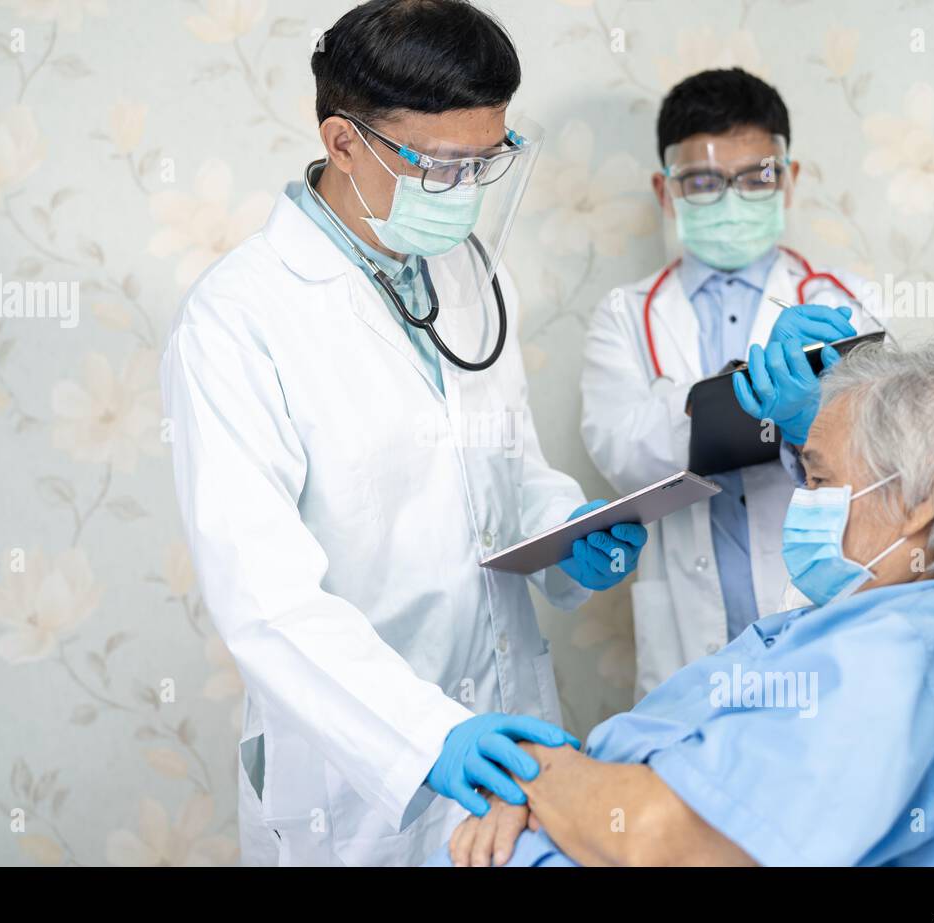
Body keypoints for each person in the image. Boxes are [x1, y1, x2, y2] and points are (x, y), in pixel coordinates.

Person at [160, 0, 645, 867]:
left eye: (486, 161)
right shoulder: (239, 317)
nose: (463, 191)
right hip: (358, 783)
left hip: (507, 730)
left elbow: (507, 470)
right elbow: (265, 600)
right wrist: (428, 736)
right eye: (440, 166)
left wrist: (565, 531)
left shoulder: (470, 276)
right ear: (344, 142)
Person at [434, 343, 934, 866]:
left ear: (920, 494)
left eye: (818, 481)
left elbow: (665, 841)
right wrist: (548, 788)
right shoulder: (842, 624)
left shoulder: (888, 656)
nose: (803, 502)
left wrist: (537, 772)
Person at [581, 68, 881, 699]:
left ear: (789, 180)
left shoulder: (845, 305)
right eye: (703, 181)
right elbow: (622, 453)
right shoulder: (624, 315)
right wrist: (729, 403)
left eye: (757, 176)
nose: (731, 197)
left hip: (822, 622)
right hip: (689, 645)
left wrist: (810, 425)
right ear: (667, 192)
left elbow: (888, 462)